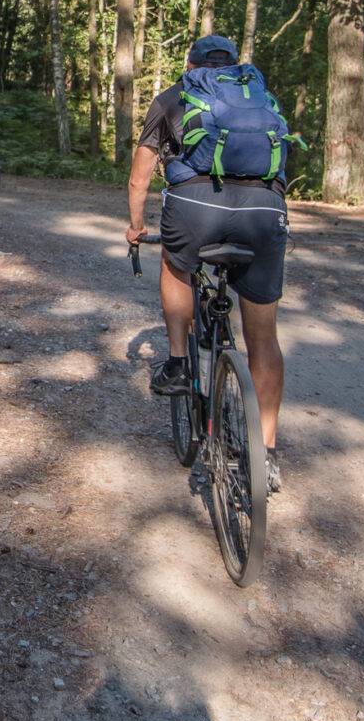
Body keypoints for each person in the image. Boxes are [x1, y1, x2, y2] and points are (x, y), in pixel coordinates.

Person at [124, 34, 294, 491]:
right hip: (263, 212)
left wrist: (137, 227)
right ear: (234, 65)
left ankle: (179, 361)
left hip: (196, 207)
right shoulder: (259, 98)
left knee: (175, 267)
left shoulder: (174, 97)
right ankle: (267, 454)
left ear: (190, 62)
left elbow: (140, 176)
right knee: (263, 338)